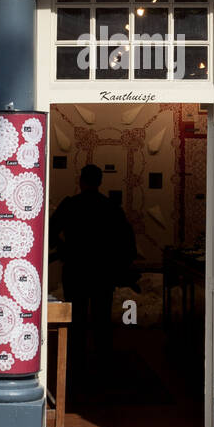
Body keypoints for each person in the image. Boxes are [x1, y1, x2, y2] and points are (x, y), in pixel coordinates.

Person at [49, 164, 136, 401]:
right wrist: (118, 268)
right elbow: (127, 241)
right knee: (101, 319)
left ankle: (76, 369)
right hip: (102, 272)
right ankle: (103, 367)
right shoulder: (110, 207)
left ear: (81, 181)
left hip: (76, 270)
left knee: (76, 320)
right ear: (99, 182)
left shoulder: (70, 205)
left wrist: (64, 248)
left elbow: (50, 232)